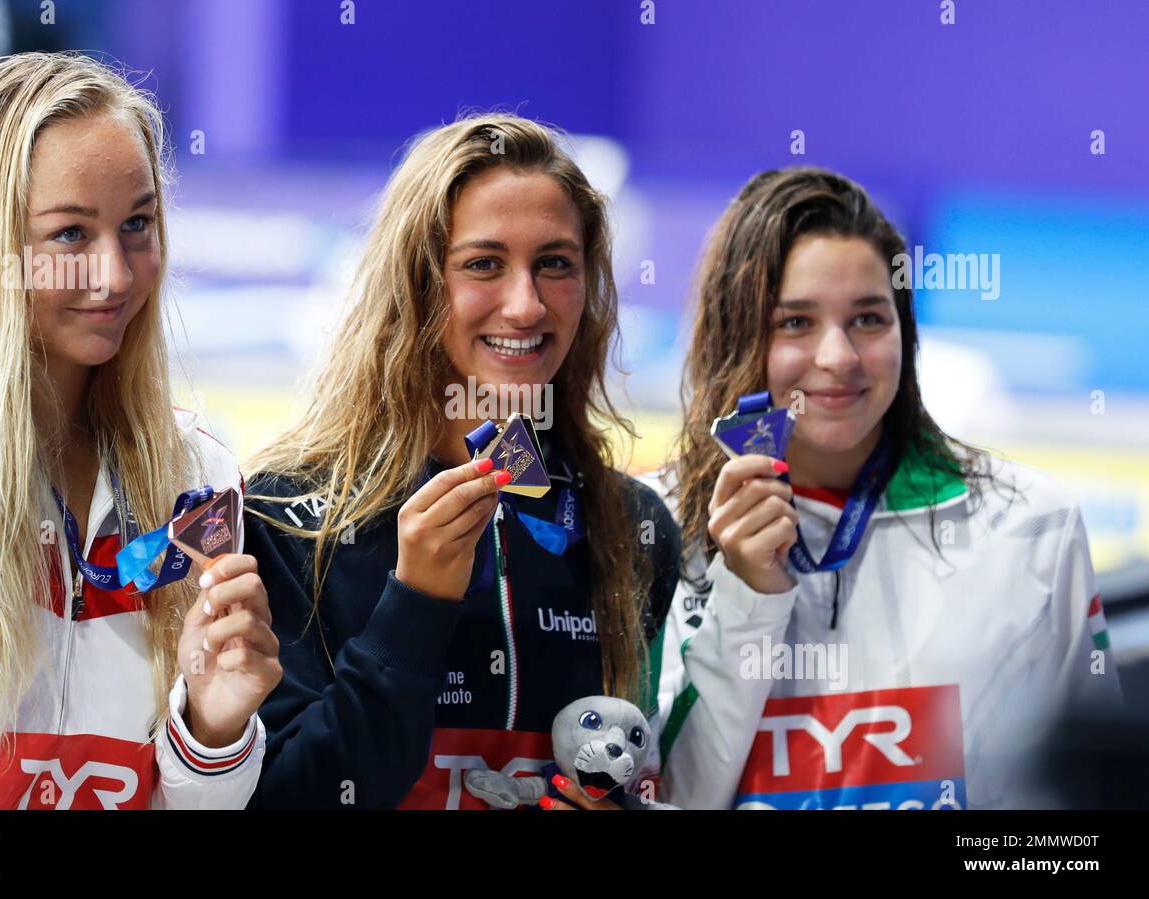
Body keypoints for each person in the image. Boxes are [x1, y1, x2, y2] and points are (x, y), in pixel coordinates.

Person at [0, 52, 280, 808]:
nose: (115, 275)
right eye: (71, 235)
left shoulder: (200, 481)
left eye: (137, 224)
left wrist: (214, 732)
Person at [244, 114, 680, 809]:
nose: (526, 303)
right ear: (416, 284)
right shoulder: (284, 516)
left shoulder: (632, 526)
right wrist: (414, 604)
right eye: (484, 264)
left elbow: (651, 774)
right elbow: (284, 798)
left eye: (555, 263)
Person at [654, 167, 1121, 809]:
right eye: (795, 322)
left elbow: (1089, 803)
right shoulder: (650, 528)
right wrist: (749, 598)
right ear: (735, 335)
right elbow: (669, 797)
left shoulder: (1030, 524)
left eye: (868, 318)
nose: (839, 357)